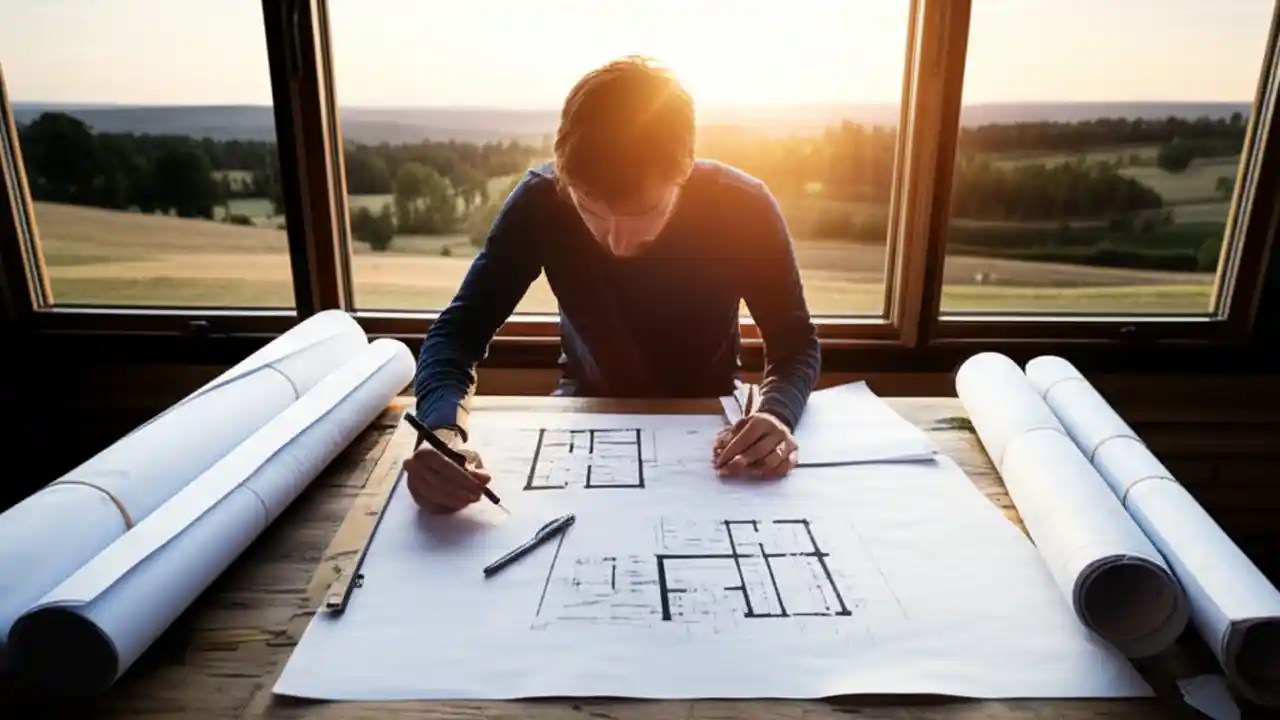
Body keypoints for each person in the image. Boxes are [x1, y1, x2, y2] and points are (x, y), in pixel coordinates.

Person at [404, 57, 819, 513]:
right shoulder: (542, 200)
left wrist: (776, 412)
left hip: (710, 420)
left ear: (683, 170)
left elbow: (794, 342)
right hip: (583, 411)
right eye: (590, 209)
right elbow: (458, 333)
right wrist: (441, 433)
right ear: (565, 176)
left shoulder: (744, 207)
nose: (617, 244)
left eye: (644, 213)